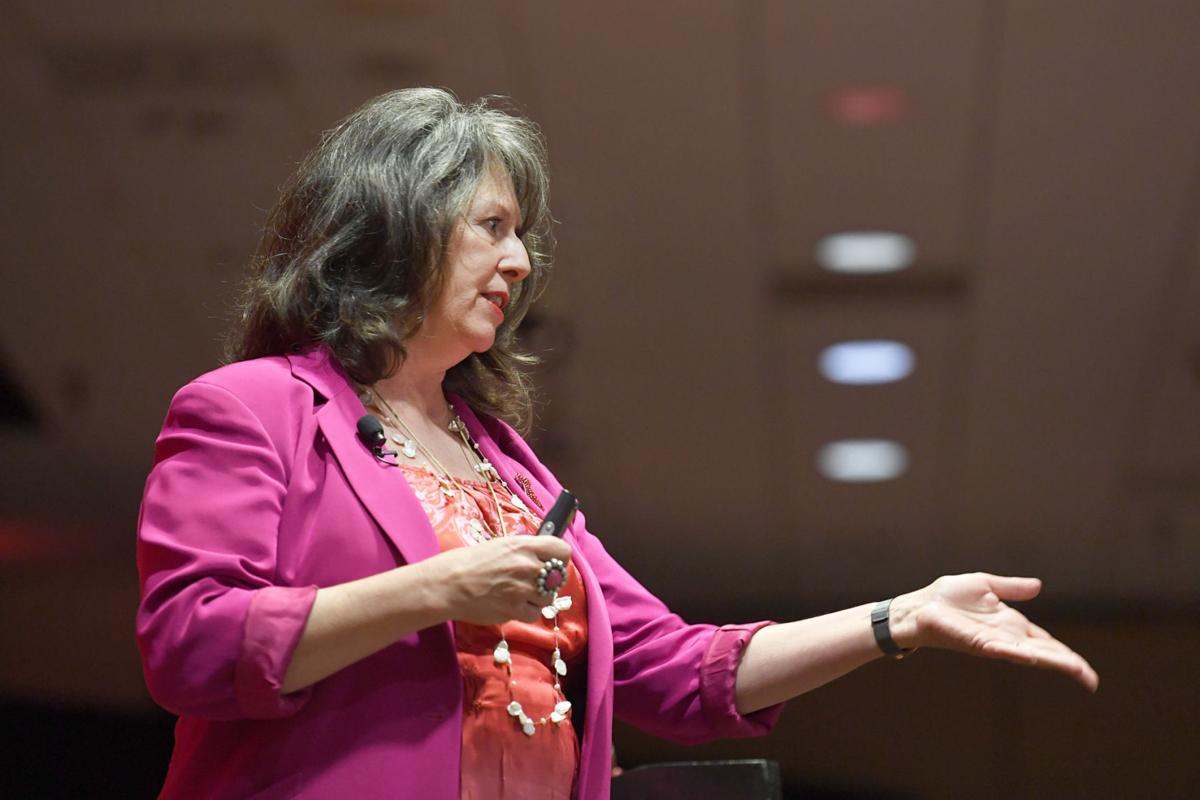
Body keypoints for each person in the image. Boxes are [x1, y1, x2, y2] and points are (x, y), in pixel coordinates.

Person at [135, 88, 1098, 800]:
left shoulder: (506, 466)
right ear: (397, 226)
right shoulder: (253, 407)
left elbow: (679, 672)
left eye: (522, 234)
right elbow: (190, 645)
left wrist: (901, 618)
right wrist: (436, 590)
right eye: (491, 227)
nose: (520, 261)